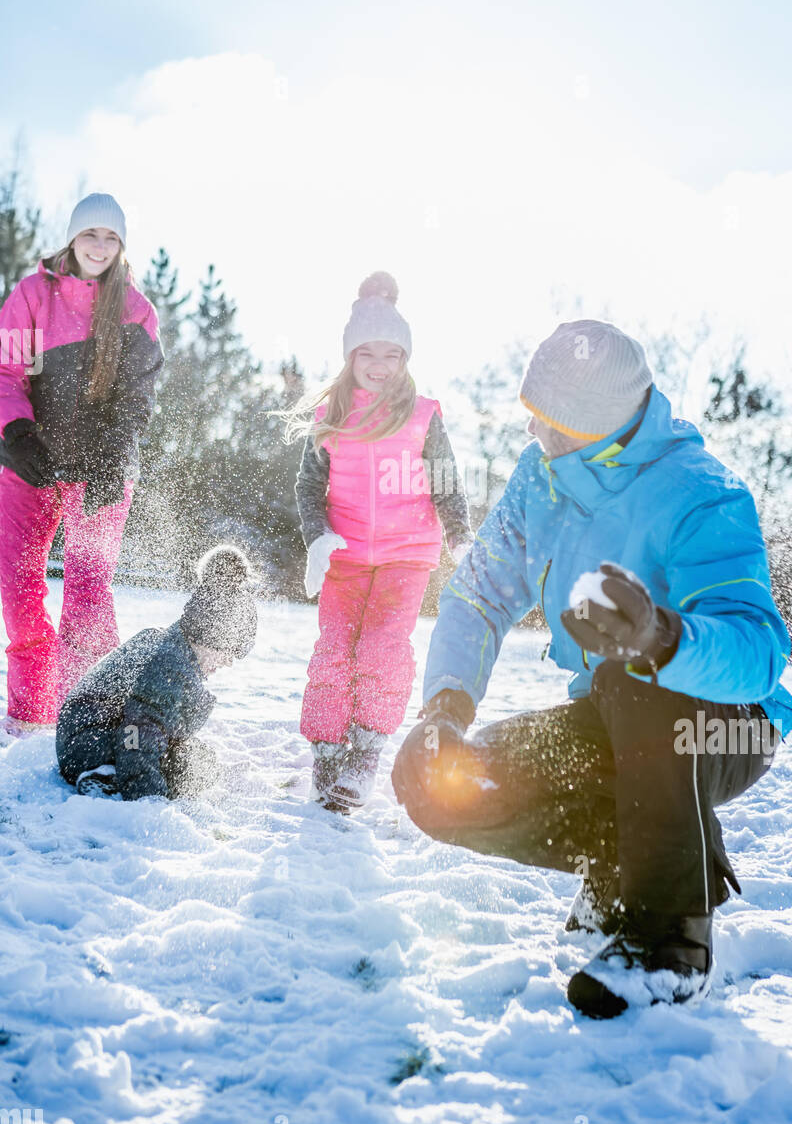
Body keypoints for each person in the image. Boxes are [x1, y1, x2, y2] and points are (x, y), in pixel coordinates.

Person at [391, 319, 792, 1019]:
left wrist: (660, 636)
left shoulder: (701, 493)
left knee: (633, 682)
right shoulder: (541, 477)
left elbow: (759, 653)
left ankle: (671, 941)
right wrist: (444, 709)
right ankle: (623, 867)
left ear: (599, 427)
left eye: (547, 422)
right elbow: (477, 593)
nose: (531, 433)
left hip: (729, 730)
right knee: (444, 782)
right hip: (619, 721)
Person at [289, 271, 473, 814]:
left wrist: (461, 536)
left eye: (390, 353)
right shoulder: (331, 416)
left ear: (405, 358)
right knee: (334, 652)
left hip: (406, 555)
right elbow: (308, 487)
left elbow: (445, 480)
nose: (378, 363)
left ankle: (365, 753)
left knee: (382, 647)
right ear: (349, 357)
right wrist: (318, 537)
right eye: (366, 351)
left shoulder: (422, 415)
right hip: (345, 556)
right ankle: (327, 752)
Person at [0, 194, 164, 741]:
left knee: (87, 598)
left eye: (111, 238)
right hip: (31, 462)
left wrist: (111, 459)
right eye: (91, 234)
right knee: (20, 589)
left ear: (121, 247)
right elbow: (5, 374)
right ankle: (31, 718)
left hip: (103, 467)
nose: (100, 246)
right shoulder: (31, 295)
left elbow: (137, 398)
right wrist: (16, 434)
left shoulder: (135, 310)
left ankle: (89, 721)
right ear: (72, 238)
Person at [56, 546, 257, 801]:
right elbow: (139, 733)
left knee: (196, 763)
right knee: (172, 767)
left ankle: (119, 773)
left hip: (101, 734)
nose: (229, 662)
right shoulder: (168, 664)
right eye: (228, 651)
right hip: (87, 743)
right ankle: (104, 776)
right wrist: (150, 801)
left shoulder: (179, 653)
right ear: (207, 636)